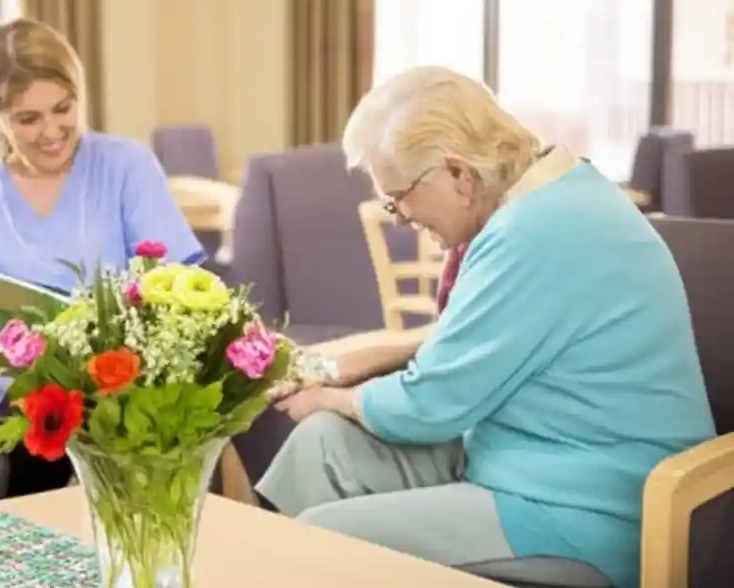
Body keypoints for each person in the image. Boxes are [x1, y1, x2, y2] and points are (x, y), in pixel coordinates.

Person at [256, 66, 716, 588]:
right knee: (323, 447)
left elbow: (429, 405)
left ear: (458, 173)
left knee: (321, 539)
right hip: (517, 452)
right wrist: (350, 373)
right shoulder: (556, 191)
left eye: (398, 196)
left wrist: (332, 398)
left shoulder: (534, 231)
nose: (399, 216)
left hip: (586, 509)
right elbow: (473, 343)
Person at [0, 18, 205, 496]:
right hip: (20, 390)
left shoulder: (126, 167)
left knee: (121, 419)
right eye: (28, 119)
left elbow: (175, 287)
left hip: (126, 375)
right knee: (49, 424)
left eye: (63, 109)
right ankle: (48, 541)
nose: (51, 132)